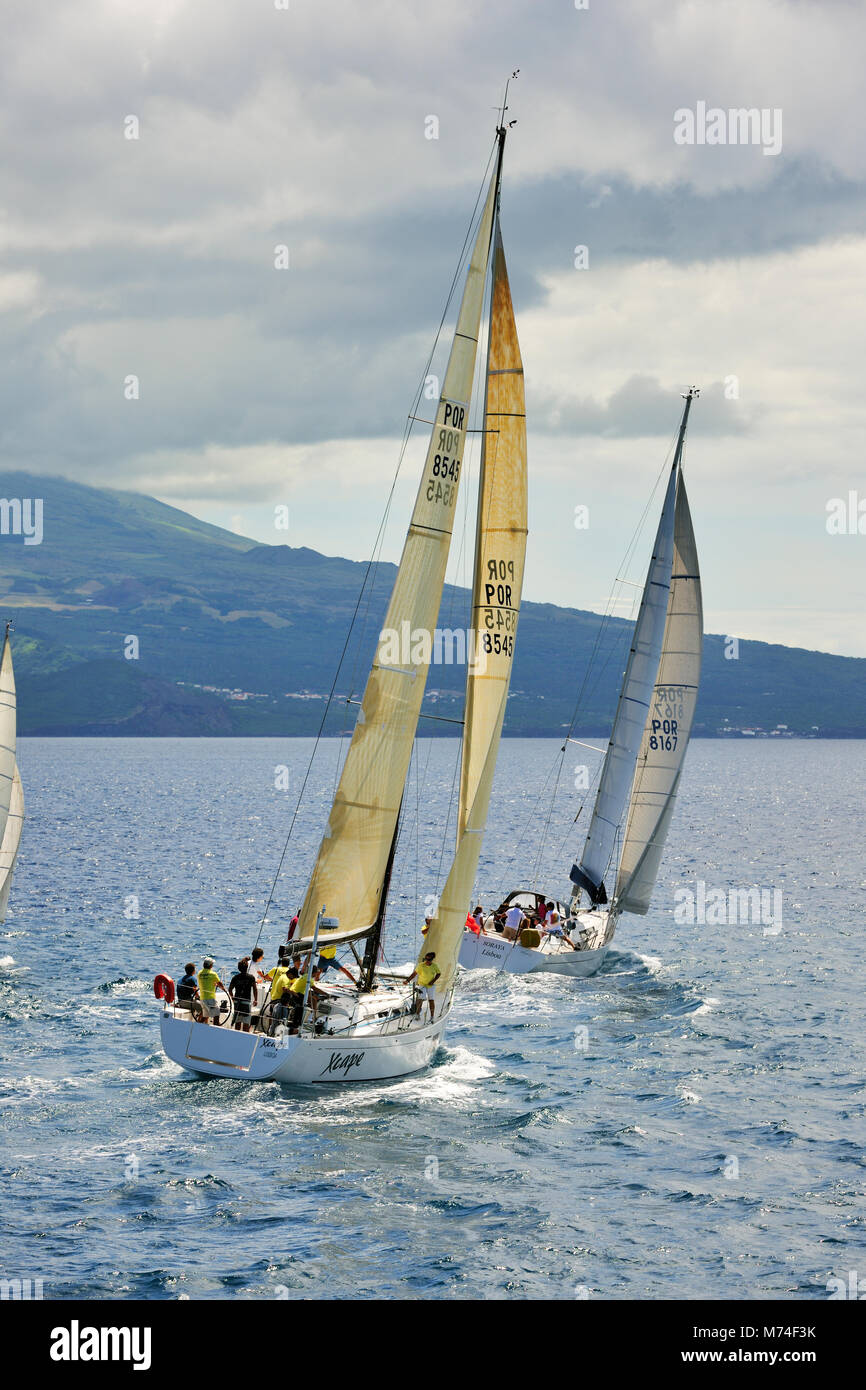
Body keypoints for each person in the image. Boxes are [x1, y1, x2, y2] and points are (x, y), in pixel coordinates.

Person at [408, 951, 441, 1021]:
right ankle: (417, 1014)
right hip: (422, 984)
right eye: (426, 959)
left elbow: (438, 974)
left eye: (428, 959)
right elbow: (414, 974)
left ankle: (432, 1016)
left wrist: (433, 981)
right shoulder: (421, 965)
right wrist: (407, 980)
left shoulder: (434, 966)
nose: (426, 961)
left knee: (431, 1000)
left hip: (430, 986)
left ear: (432, 960)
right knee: (420, 999)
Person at [229, 957, 256, 1032]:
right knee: (246, 1023)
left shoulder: (235, 977)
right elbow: (255, 989)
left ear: (238, 968)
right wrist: (256, 999)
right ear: (247, 967)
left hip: (237, 1002)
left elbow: (230, 989)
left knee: (237, 1022)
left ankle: (236, 1036)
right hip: (246, 1002)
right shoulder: (251, 977)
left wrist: (233, 998)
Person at [197, 958, 223, 1024]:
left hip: (202, 998)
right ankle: (216, 1030)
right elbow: (220, 983)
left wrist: (213, 983)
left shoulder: (199, 973)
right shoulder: (213, 974)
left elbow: (205, 982)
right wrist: (224, 989)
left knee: (205, 1016)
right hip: (210, 998)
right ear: (211, 965)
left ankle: (197, 1026)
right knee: (216, 1015)